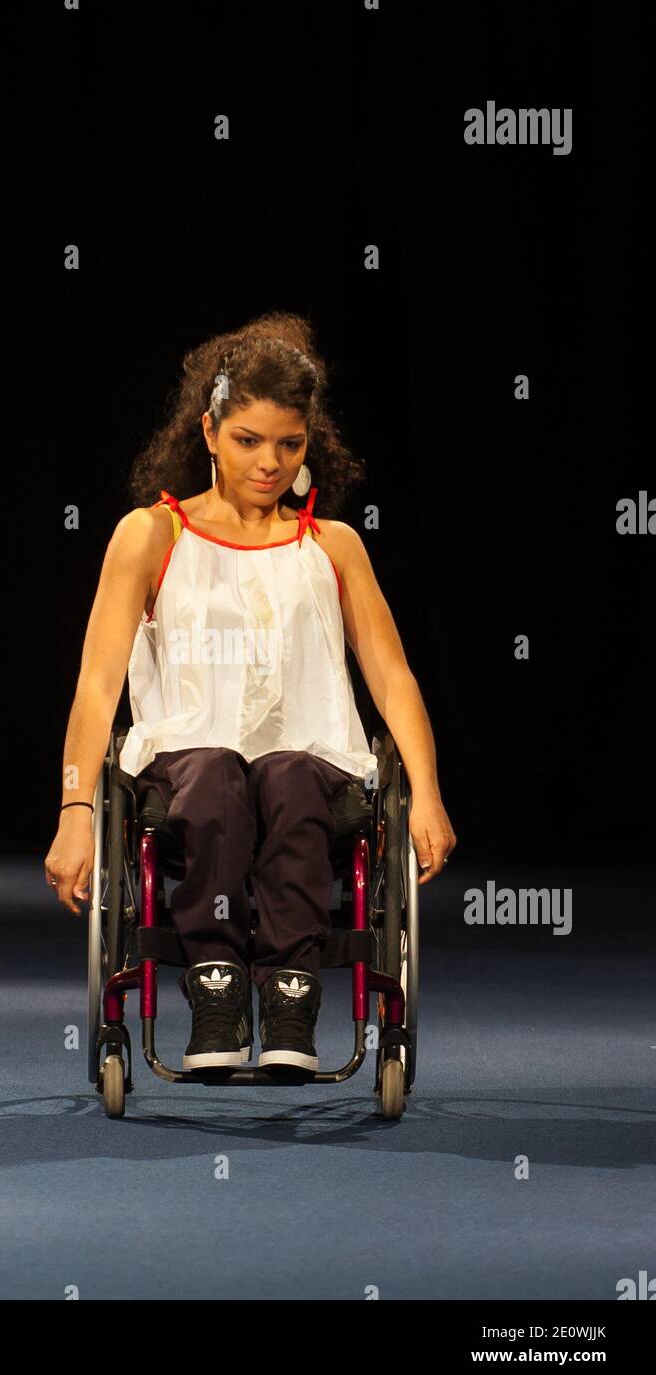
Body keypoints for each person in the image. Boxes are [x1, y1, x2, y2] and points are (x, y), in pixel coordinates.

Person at [45, 312, 456, 1074]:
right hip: (184, 766)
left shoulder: (331, 545)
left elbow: (392, 678)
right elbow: (97, 682)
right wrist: (75, 811)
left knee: (288, 774)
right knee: (215, 771)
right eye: (247, 440)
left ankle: (292, 992)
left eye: (288, 444)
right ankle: (217, 987)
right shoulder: (151, 535)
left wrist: (425, 795)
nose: (269, 463)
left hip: (312, 763)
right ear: (207, 431)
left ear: (307, 443)